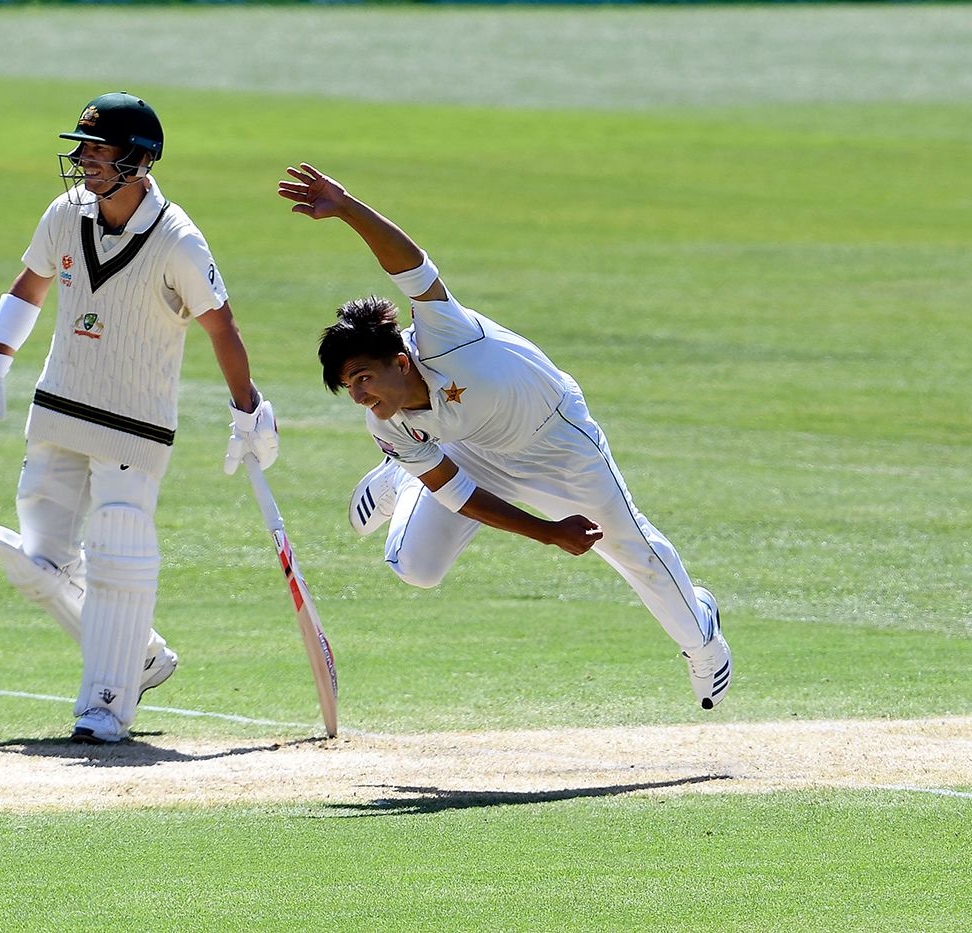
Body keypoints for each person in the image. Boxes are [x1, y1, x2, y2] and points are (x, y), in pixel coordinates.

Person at [277, 163, 731, 709]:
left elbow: (413, 268)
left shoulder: (445, 335)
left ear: (401, 361)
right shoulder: (385, 419)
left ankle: (702, 639)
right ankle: (409, 470)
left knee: (632, 549)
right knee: (416, 569)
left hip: (557, 444)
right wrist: (545, 532)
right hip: (472, 452)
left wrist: (347, 208)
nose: (358, 396)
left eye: (364, 378)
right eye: (348, 385)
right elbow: (459, 494)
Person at [0, 92, 279, 744]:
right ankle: (142, 653)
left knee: (119, 548)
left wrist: (249, 409)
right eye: (83, 149)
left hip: (135, 423)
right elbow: (30, 283)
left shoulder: (179, 240)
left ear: (139, 159)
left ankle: (105, 706)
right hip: (59, 408)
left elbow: (221, 324)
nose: (84, 161)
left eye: (99, 151)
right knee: (40, 563)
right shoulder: (65, 214)